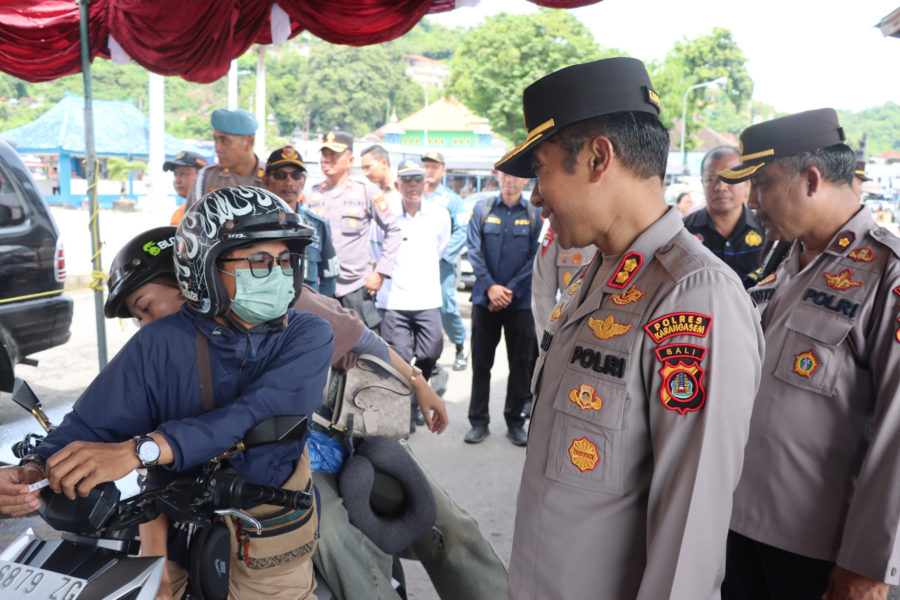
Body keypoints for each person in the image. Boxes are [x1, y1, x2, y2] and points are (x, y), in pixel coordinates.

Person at [103, 225, 508, 600]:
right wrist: (153, 560)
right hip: (268, 479)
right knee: (334, 536)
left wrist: (418, 382)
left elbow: (359, 336)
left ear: (188, 283)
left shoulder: (275, 298)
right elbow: (151, 461)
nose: (145, 325)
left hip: (339, 439)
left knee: (444, 524)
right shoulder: (162, 361)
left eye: (145, 308)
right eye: (138, 318)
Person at [495, 57, 765, 599]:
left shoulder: (694, 295)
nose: (536, 195)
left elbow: (689, 535)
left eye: (543, 169)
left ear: (597, 157)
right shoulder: (600, 270)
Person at [0, 186, 334, 599]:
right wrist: (33, 469)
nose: (279, 273)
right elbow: (92, 424)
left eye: (285, 261)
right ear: (207, 268)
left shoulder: (307, 334)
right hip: (176, 535)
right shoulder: (159, 342)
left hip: (266, 548)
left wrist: (139, 451)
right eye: (260, 261)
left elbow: (257, 413)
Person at [720, 109, 900, 600]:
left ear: (813, 179)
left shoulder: (887, 275)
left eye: (762, 185)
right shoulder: (784, 257)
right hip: (739, 522)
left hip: (817, 548)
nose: (751, 202)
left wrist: (868, 565)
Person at [464, 171, 541, 446]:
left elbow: (536, 257)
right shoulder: (482, 208)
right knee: (481, 363)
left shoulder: (535, 213)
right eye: (505, 175)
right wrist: (490, 287)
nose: (510, 180)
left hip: (519, 303)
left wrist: (509, 290)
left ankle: (515, 422)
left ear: (525, 181)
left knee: (520, 365)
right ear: (497, 177)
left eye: (516, 176)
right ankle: (478, 422)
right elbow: (473, 250)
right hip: (485, 301)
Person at [376, 158, 451, 431]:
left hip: (427, 298)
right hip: (394, 299)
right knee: (400, 358)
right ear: (397, 185)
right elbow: (378, 252)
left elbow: (441, 248)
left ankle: (421, 394)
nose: (412, 186)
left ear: (425, 183)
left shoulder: (440, 215)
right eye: (406, 181)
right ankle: (406, 415)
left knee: (431, 351)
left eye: (417, 180)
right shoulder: (385, 215)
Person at [305, 131, 402, 330]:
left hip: (355, 286)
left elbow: (393, 230)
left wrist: (381, 272)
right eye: (324, 154)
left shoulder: (366, 191)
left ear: (349, 160)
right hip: (319, 288)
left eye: (334, 155)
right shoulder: (309, 194)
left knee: (364, 355)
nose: (327, 159)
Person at [683, 145, 766, 288]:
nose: (720, 187)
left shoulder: (766, 229)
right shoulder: (684, 232)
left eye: (730, 178)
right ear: (702, 183)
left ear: (747, 182)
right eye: (711, 179)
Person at [263, 146, 339, 296]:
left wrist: (319, 310)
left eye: (296, 175)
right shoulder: (255, 225)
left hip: (307, 312)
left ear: (303, 181)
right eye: (280, 175)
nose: (289, 182)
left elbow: (329, 278)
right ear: (266, 180)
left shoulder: (318, 226)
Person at [423, 150, 469, 371]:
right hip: (416, 263)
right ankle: (426, 355)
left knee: (447, 307)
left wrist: (441, 254)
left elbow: (462, 231)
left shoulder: (452, 199)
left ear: (443, 171)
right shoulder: (415, 194)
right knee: (420, 307)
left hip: (442, 263)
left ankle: (460, 345)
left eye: (433, 167)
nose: (428, 171)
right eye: (426, 166)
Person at [184, 108, 265, 211]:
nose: (217, 148)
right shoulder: (206, 178)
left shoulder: (274, 177)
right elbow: (191, 223)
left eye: (224, 140)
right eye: (215, 140)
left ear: (249, 142)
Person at [531, 224, 597, 340]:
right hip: (566, 333)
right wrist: (549, 343)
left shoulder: (624, 227)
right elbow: (542, 295)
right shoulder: (558, 226)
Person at [163, 150, 207, 225]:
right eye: (175, 174)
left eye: (182, 174)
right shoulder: (179, 213)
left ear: (201, 176)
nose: (177, 181)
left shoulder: (213, 211)